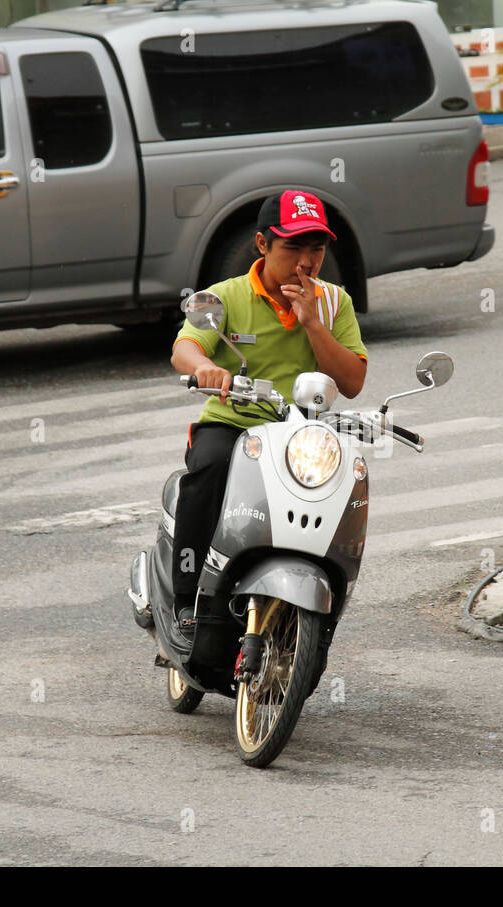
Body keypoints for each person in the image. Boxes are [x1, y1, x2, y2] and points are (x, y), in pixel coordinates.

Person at [169, 190, 368, 640]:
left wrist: (313, 322)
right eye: (292, 247)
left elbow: (352, 382)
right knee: (210, 468)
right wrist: (204, 367)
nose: (306, 260)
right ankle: (187, 597)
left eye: (316, 248)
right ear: (262, 245)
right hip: (233, 423)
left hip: (301, 433)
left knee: (342, 491)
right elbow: (184, 348)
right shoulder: (225, 297)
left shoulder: (334, 303)